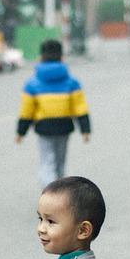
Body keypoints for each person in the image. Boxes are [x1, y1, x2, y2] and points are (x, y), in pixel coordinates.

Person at [16, 39, 91, 187]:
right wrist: (85, 129)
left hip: (44, 128)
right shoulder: (71, 82)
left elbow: (27, 110)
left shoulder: (32, 83)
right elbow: (80, 107)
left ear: (41, 57)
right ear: (62, 57)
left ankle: (51, 193)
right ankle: (59, 192)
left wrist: (21, 132)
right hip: (64, 126)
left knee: (47, 162)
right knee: (60, 163)